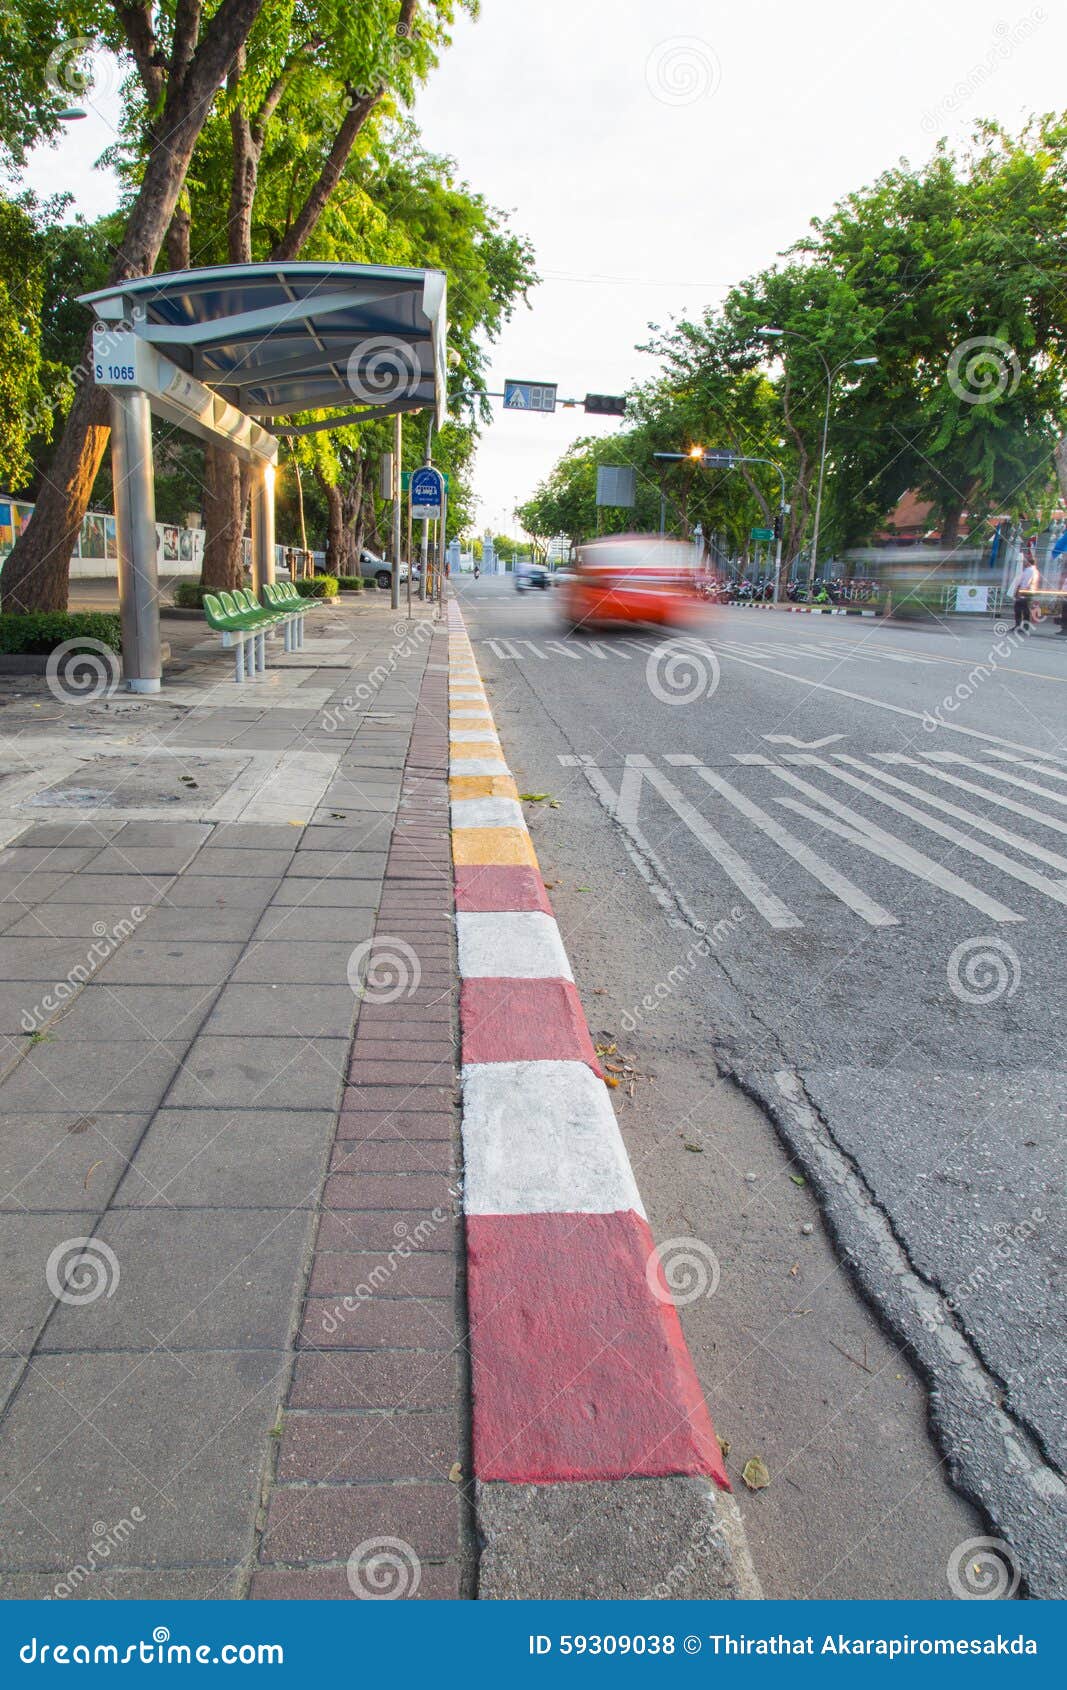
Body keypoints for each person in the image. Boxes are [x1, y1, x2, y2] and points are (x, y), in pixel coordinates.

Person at [1009, 546, 1040, 629]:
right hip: (1029, 592)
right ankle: (1024, 626)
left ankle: (1019, 625)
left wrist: (1019, 592)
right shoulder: (1034, 570)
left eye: (1025, 561)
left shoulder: (1029, 570)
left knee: (1019, 609)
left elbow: (1026, 582)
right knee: (1025, 610)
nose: (1024, 562)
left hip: (1025, 592)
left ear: (1029, 562)